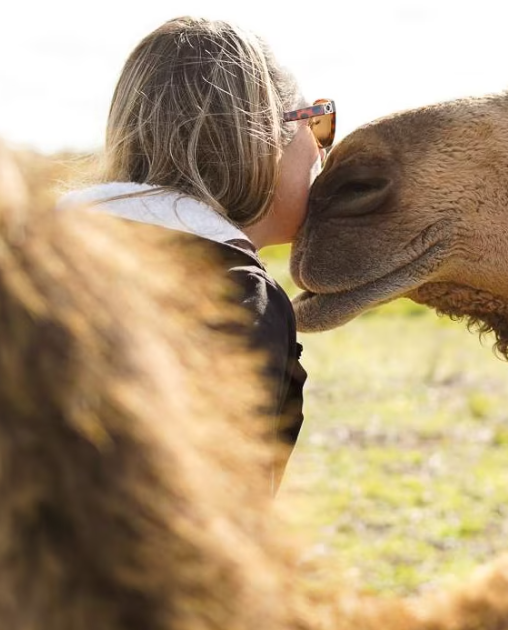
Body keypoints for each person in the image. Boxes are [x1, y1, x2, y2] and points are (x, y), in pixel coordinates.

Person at [58, 16, 336, 494]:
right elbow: (215, 514)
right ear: (262, 136)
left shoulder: (30, 249)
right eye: (315, 122)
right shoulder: (234, 293)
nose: (321, 152)